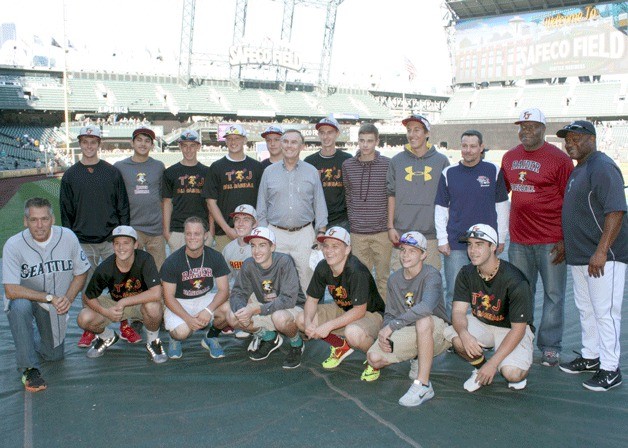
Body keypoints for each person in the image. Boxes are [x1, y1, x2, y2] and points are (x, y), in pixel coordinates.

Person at [557, 121, 627, 391]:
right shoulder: (581, 169)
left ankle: (610, 369)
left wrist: (601, 250)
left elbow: (616, 211)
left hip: (603, 257)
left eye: (575, 138)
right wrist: (566, 243)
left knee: (605, 313)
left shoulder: (602, 166)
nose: (569, 143)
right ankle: (591, 356)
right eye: (566, 139)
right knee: (586, 310)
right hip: (582, 255)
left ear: (591, 139)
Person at [501, 108, 574, 367]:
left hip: (551, 239)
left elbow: (570, 201)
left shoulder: (560, 159)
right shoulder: (509, 157)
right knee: (522, 293)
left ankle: (550, 346)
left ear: (544, 129)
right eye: (523, 126)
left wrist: (565, 239)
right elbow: (501, 195)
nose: (526, 131)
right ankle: (522, 339)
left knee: (554, 294)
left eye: (532, 126)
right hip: (519, 240)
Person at [3, 198, 90, 392]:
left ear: (52, 219)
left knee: (54, 355)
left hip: (54, 304)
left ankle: (26, 336)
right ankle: (29, 368)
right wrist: (49, 297)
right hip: (28, 299)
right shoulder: (13, 245)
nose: (39, 225)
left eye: (44, 219)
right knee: (20, 306)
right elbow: (11, 289)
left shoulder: (67, 237)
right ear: (25, 221)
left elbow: (81, 271)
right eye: (33, 220)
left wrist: (68, 298)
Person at [59, 124, 131, 348]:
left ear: (99, 144)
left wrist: (122, 237)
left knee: (120, 284)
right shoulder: (70, 175)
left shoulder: (111, 172)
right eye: (85, 142)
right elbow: (66, 212)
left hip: (110, 240)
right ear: (80, 144)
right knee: (88, 287)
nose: (89, 146)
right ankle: (90, 328)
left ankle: (125, 323)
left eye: (93, 142)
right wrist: (71, 240)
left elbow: (123, 207)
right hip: (83, 241)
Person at [444, 224, 534, 392]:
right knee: (458, 339)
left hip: (511, 329)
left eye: (479, 244)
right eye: (470, 244)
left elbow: (518, 329)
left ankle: (501, 364)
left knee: (513, 374)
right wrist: (464, 335)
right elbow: (457, 311)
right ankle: (480, 368)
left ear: (493, 247)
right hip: (484, 323)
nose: (472, 250)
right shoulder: (466, 272)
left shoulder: (515, 280)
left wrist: (493, 363)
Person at [365, 231, 451, 406]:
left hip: (436, 330)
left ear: (423, 254)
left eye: (412, 251)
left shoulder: (431, 275)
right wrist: (386, 330)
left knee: (423, 320)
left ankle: (423, 385)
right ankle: (417, 357)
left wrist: (393, 325)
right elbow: (390, 313)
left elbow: (426, 307)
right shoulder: (394, 279)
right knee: (373, 358)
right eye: (403, 250)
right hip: (409, 329)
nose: (405, 255)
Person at [435, 130, 510, 317]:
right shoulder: (448, 173)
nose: (468, 150)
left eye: (473, 146)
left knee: (486, 292)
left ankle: (484, 334)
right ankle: (455, 338)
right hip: (457, 242)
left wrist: (500, 237)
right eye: (464, 146)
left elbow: (502, 206)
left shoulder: (493, 170)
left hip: (486, 243)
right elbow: (441, 209)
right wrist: (442, 239)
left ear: (481, 147)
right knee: (455, 290)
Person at [296, 227, 385, 374]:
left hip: (370, 313)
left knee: (353, 333)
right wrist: (308, 324)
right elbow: (311, 300)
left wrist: (328, 326)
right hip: (343, 308)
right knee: (301, 318)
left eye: (335, 246)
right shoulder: (323, 266)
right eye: (326, 246)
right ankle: (341, 346)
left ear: (347, 249)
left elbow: (359, 310)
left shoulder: (356, 270)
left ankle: (375, 358)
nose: (328, 250)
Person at [77, 226, 167, 363]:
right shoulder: (106, 267)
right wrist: (105, 311)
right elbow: (87, 296)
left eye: (126, 242)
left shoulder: (145, 259)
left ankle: (153, 342)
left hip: (139, 302)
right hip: (115, 302)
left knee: (153, 306)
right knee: (84, 318)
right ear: (113, 246)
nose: (121, 247)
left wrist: (124, 302)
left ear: (136, 244)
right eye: (117, 243)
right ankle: (107, 337)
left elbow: (156, 293)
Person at [256, 129, 328, 291]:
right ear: (281, 144)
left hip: (304, 234)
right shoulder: (269, 172)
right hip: (276, 233)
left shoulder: (311, 172)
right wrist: (264, 234)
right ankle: (275, 314)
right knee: (273, 278)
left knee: (307, 278)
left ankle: (306, 315)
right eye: (286, 141)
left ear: (302, 146)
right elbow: (261, 207)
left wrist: (321, 232)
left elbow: (319, 205)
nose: (289, 146)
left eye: (294, 142)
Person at [226, 227, 306, 368]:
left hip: (291, 307)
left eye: (262, 245)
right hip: (264, 305)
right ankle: (268, 337)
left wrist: (256, 309)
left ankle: (297, 343)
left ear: (272, 247)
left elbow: (288, 299)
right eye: (253, 245)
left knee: (279, 318)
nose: (256, 251)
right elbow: (238, 292)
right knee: (233, 316)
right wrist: (241, 311)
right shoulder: (249, 264)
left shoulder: (284, 262)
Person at [161, 217, 230, 360]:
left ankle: (211, 336)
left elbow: (224, 290)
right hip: (180, 300)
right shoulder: (172, 261)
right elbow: (168, 297)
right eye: (189, 233)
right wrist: (187, 319)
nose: (192, 237)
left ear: (205, 236)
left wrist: (208, 310)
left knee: (227, 309)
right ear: (184, 235)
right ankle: (175, 339)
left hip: (204, 298)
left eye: (197, 234)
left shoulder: (215, 257)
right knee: (182, 332)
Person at [387, 114, 449, 271]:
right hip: (402, 233)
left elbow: (447, 200)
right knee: (401, 284)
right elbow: (391, 194)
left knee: (430, 284)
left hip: (430, 236)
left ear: (427, 133)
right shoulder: (396, 161)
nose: (412, 134)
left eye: (417, 130)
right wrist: (390, 226)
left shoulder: (441, 161)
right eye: (409, 130)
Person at [343, 123, 392, 300]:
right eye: (362, 140)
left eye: (370, 141)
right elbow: (349, 194)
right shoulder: (348, 165)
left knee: (383, 277)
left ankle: (383, 314)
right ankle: (363, 313)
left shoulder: (387, 164)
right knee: (360, 277)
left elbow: (391, 195)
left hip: (382, 232)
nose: (365, 145)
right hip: (358, 232)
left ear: (377, 141)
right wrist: (354, 220)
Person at [202, 124, 263, 251]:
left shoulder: (257, 166)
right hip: (225, 233)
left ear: (245, 140)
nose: (233, 142)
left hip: (252, 232)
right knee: (226, 270)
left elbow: (263, 200)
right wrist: (227, 229)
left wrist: (257, 227)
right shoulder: (216, 167)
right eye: (229, 139)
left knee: (252, 270)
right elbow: (211, 202)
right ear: (225, 141)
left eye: (237, 138)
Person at [114, 126, 166, 270]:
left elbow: (163, 197)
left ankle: (159, 293)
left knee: (158, 270)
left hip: (156, 229)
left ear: (152, 145)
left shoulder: (158, 166)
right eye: (139, 140)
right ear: (132, 143)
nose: (143, 144)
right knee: (133, 271)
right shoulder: (120, 167)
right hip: (132, 227)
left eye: (147, 141)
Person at [162, 129, 210, 253]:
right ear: (180, 147)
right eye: (185, 146)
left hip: (202, 230)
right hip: (178, 231)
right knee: (178, 271)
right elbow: (167, 203)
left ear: (198, 147)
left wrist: (211, 231)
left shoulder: (207, 172)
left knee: (202, 271)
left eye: (192, 146)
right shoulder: (170, 172)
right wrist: (167, 233)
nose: (188, 149)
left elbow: (210, 204)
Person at [304, 117, 352, 231]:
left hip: (341, 220)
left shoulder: (347, 160)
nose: (325, 137)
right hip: (316, 221)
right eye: (322, 133)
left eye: (330, 132)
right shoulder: (309, 161)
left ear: (337, 134)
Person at [222, 204, 257, 286]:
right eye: (237, 219)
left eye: (246, 220)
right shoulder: (228, 249)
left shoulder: (261, 247)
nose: (240, 223)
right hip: (238, 291)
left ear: (254, 224)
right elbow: (226, 279)